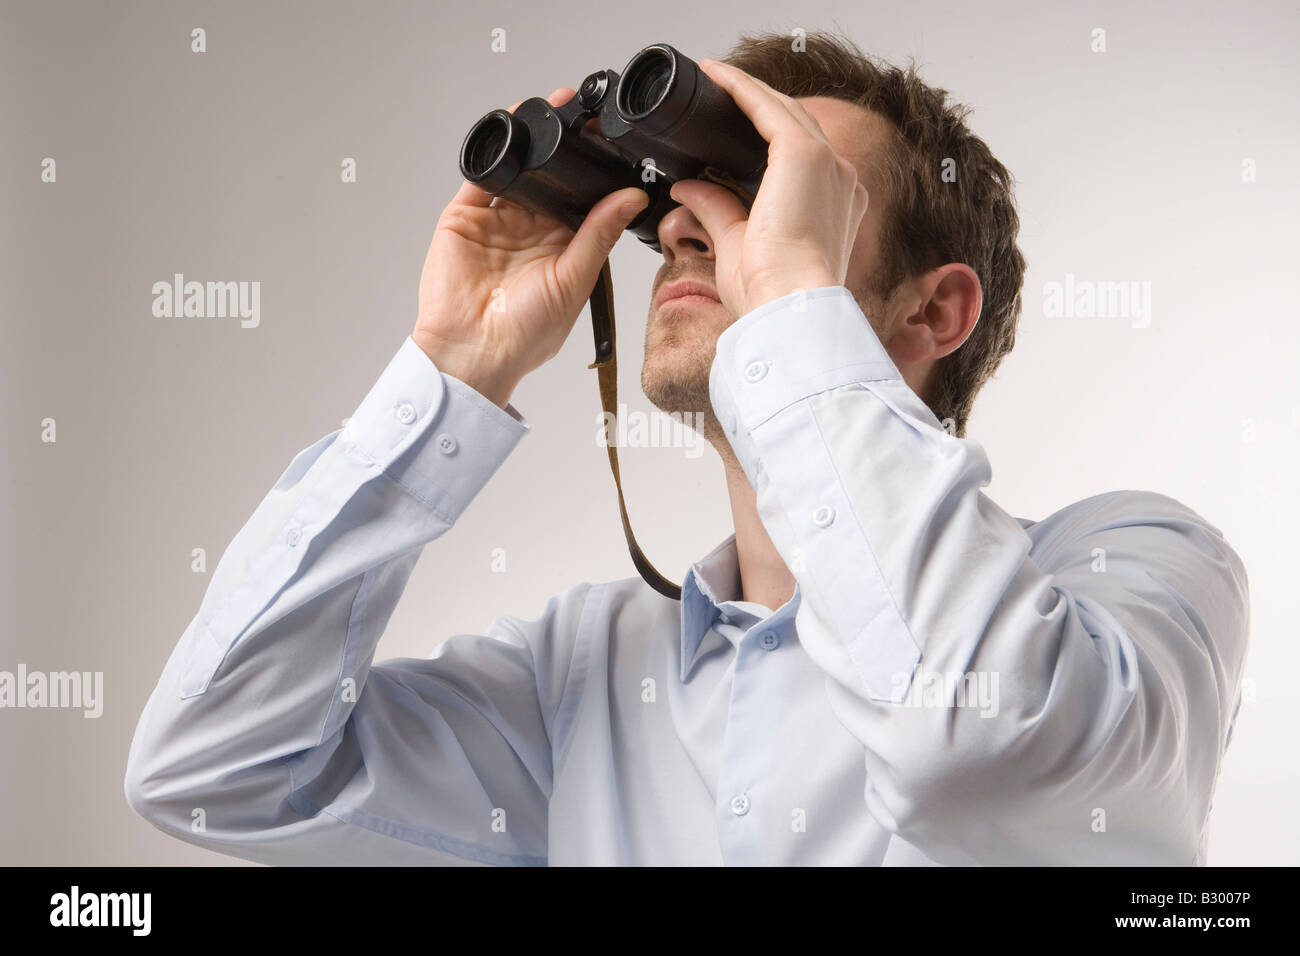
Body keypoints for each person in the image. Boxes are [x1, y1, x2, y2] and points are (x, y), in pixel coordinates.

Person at [125, 31, 1250, 865]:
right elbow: (215, 768)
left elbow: (981, 742)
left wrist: (789, 303)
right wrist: (451, 373)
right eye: (684, 197)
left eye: (773, 190)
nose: (680, 226)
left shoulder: (1131, 568)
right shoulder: (582, 674)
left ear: (932, 312)